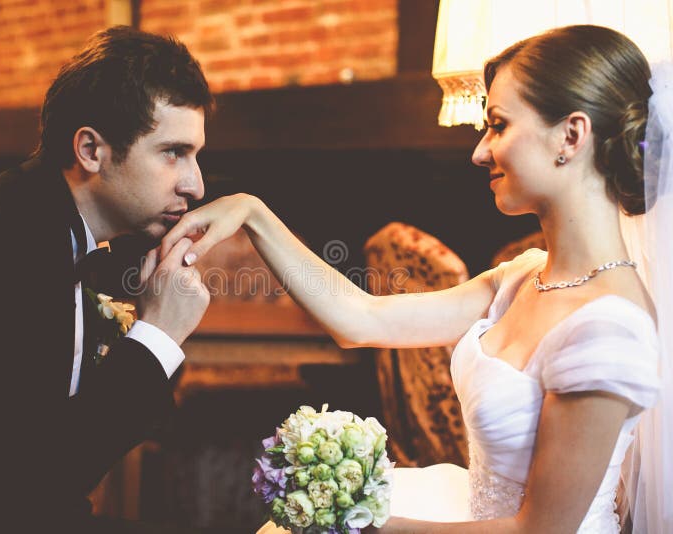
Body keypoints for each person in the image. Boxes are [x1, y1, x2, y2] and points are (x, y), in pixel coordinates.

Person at [161, 25, 667, 533]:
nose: (479, 151)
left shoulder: (607, 328)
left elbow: (537, 531)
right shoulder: (522, 278)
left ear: (571, 136)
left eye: (497, 125)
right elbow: (360, 318)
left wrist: (359, 524)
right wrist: (254, 214)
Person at [0, 27, 213, 533]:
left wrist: (151, 327)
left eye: (196, 155)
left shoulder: (43, 229)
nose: (196, 183)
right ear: (91, 150)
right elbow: (28, 483)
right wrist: (158, 335)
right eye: (172, 153)